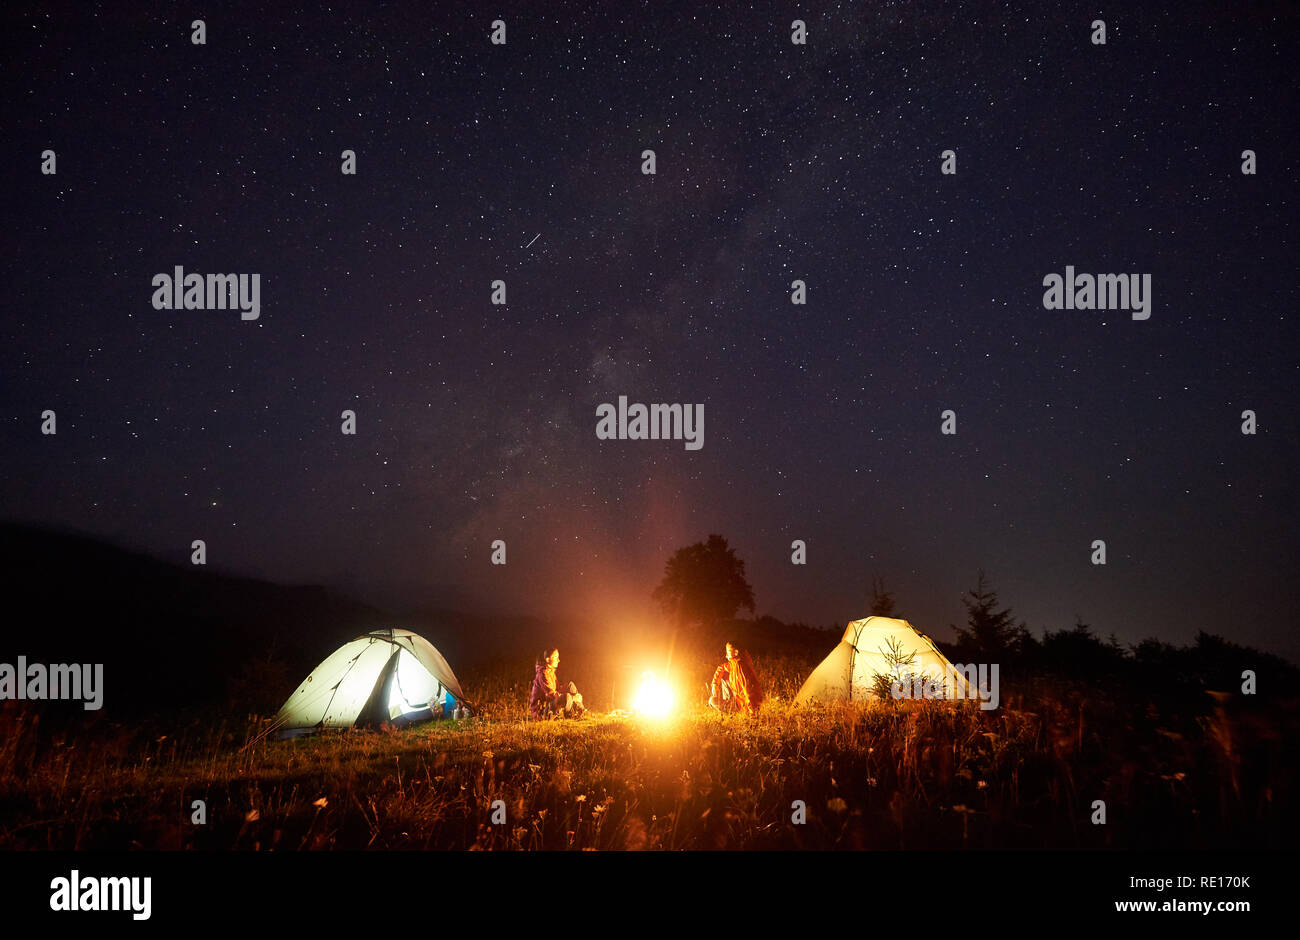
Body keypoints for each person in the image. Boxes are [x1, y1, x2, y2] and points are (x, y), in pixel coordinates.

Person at [709, 641, 763, 716]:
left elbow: (748, 692)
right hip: (737, 699)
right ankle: (728, 702)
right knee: (724, 674)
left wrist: (752, 713)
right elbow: (722, 668)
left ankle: (732, 711)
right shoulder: (734, 663)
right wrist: (715, 684)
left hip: (743, 705)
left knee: (712, 701)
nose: (726, 655)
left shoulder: (741, 667)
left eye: (728, 652)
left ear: (736, 652)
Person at [529, 648, 586, 719]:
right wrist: (573, 698)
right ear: (548, 660)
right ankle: (571, 714)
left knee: (570, 685)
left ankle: (580, 711)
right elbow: (551, 694)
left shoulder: (550, 672)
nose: (558, 660)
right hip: (541, 712)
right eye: (556, 657)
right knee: (567, 697)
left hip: (549, 704)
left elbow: (557, 690)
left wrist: (574, 694)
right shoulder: (543, 674)